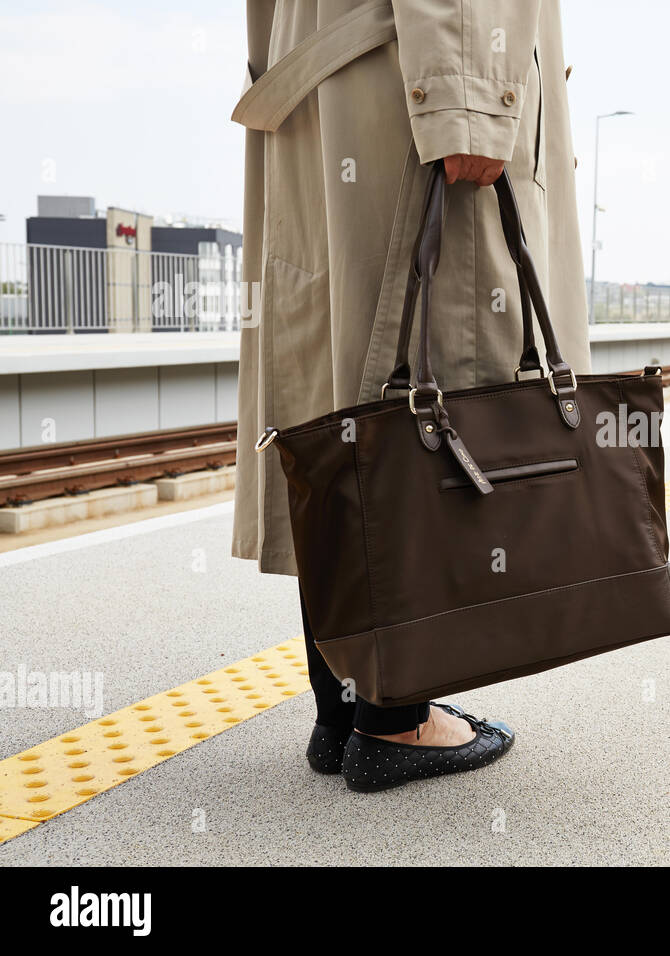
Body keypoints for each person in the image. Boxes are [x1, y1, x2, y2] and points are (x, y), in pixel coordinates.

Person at [229, 0, 590, 792]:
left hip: (322, 85)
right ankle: (394, 720)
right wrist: (471, 97)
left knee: (338, 387)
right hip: (419, 79)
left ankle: (343, 706)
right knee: (427, 377)